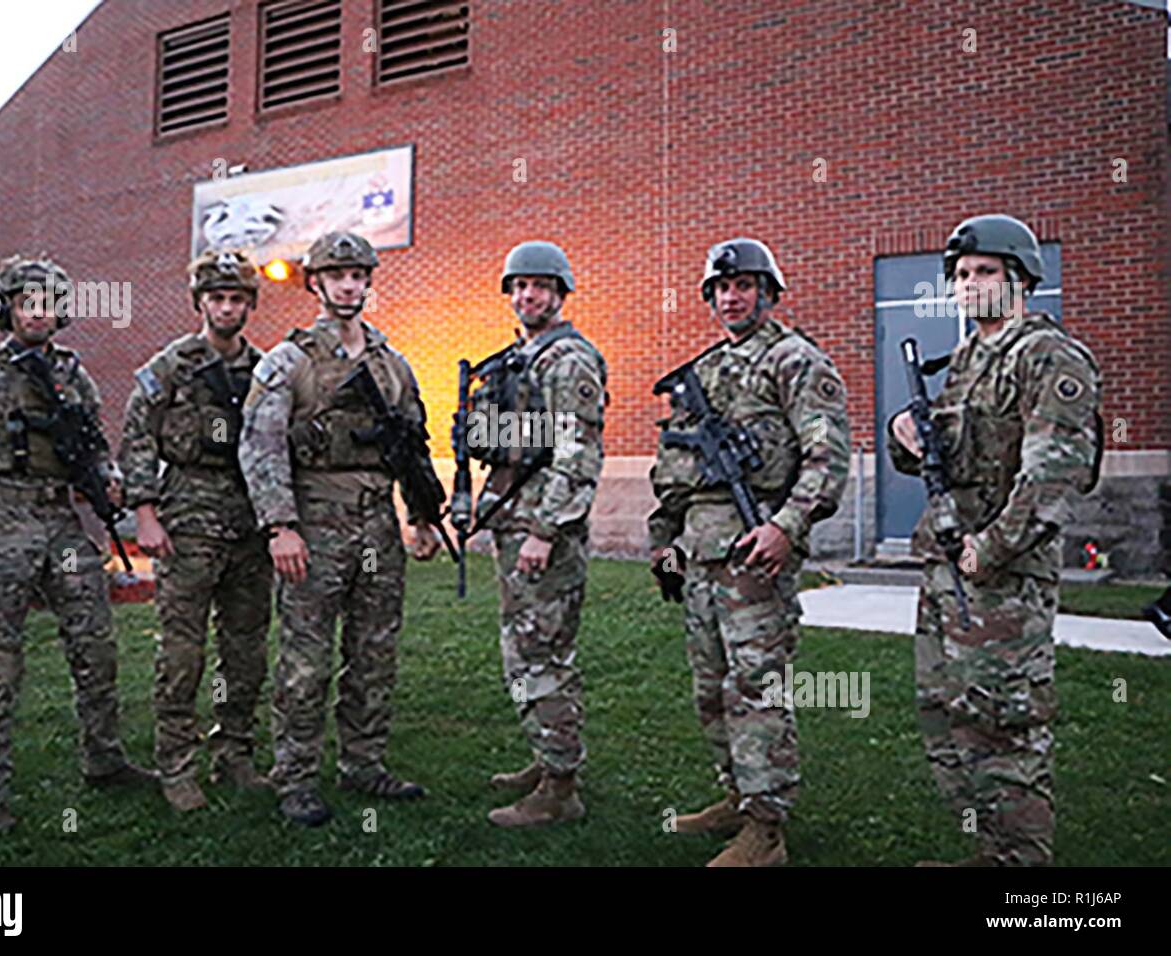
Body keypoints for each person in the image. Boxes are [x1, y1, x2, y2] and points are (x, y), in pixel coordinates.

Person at [0, 254, 154, 831]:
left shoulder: (71, 374)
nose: (37, 314)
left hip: (62, 524)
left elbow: (92, 444)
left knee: (96, 649)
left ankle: (104, 761)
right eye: (26, 303)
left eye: (47, 304)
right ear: (7, 308)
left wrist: (106, 480)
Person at [888, 214, 1103, 866]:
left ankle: (1023, 868)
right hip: (948, 565)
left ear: (1019, 278)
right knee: (949, 717)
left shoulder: (1049, 356)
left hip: (1002, 578)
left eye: (983, 271)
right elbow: (951, 454)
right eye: (959, 275)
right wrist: (906, 434)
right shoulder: (967, 359)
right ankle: (992, 851)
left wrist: (994, 546)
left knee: (1005, 723)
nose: (968, 284)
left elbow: (1057, 472)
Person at [648, 237, 849, 866]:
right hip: (702, 554)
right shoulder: (704, 372)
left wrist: (786, 525)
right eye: (722, 289)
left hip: (757, 551)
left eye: (744, 286)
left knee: (757, 687)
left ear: (768, 292)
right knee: (711, 687)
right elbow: (674, 469)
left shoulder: (796, 361)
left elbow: (827, 455)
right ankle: (736, 796)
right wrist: (664, 543)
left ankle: (766, 830)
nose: (732, 298)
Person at [238, 232, 439, 826]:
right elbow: (260, 447)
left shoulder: (391, 364)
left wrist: (422, 514)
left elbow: (412, 445)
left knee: (374, 652)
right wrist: (280, 526)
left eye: (358, 274)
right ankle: (294, 775)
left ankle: (364, 762)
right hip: (314, 527)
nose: (350, 284)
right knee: (305, 659)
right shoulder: (288, 361)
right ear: (316, 284)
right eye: (337, 275)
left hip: (377, 526)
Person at [118, 249, 272, 812]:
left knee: (246, 647)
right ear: (200, 303)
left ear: (249, 305)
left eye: (237, 298)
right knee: (183, 651)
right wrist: (145, 513)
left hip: (250, 520)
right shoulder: (172, 365)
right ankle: (176, 765)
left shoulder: (264, 370)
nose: (227, 307)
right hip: (187, 517)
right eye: (217, 298)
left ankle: (234, 752)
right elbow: (136, 437)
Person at [469, 240, 607, 829]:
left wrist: (545, 531)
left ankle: (559, 788)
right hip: (515, 522)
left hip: (543, 534)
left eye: (540, 286)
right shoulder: (522, 359)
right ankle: (547, 759)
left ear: (559, 293)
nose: (527, 295)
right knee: (530, 651)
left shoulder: (568, 360)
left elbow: (577, 455)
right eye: (519, 286)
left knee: (538, 656)